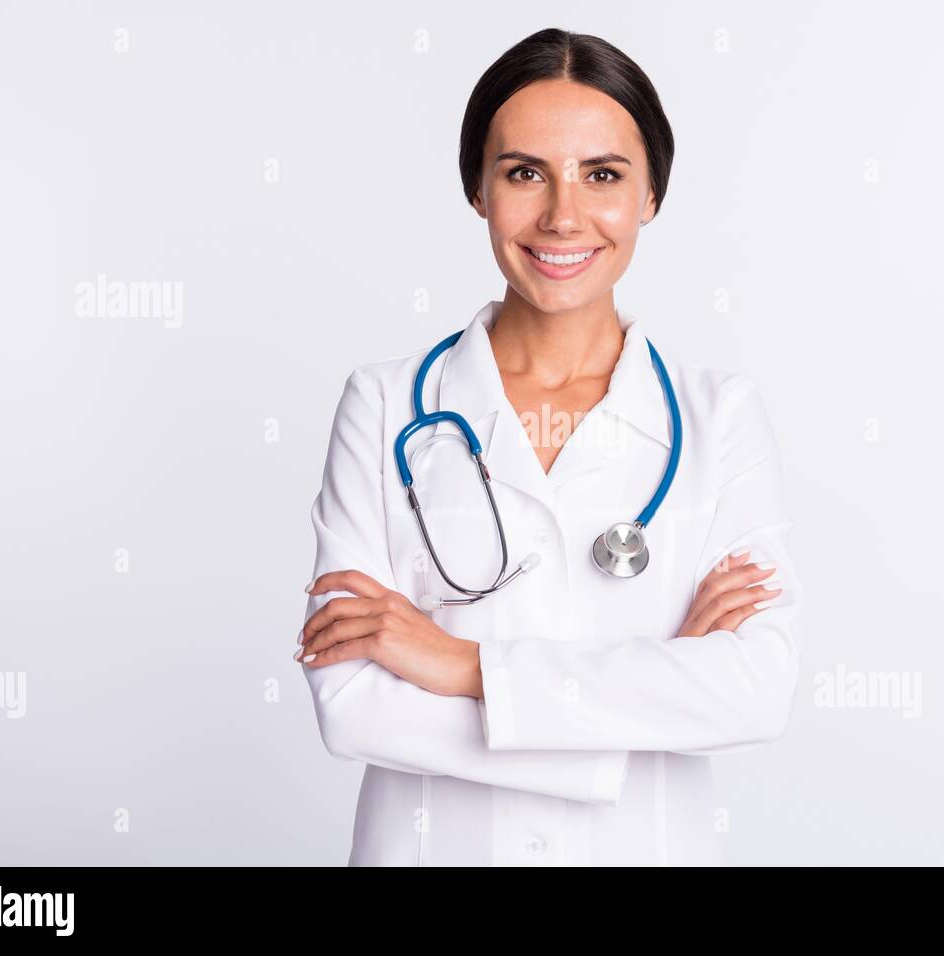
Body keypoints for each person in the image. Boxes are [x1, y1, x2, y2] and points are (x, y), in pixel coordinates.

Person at [295, 27, 804, 866]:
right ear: (478, 191)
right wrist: (652, 693)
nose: (563, 214)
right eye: (524, 172)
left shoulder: (721, 419)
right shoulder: (384, 406)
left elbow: (755, 693)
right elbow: (351, 701)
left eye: (602, 175)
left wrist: (457, 664)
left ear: (650, 196)